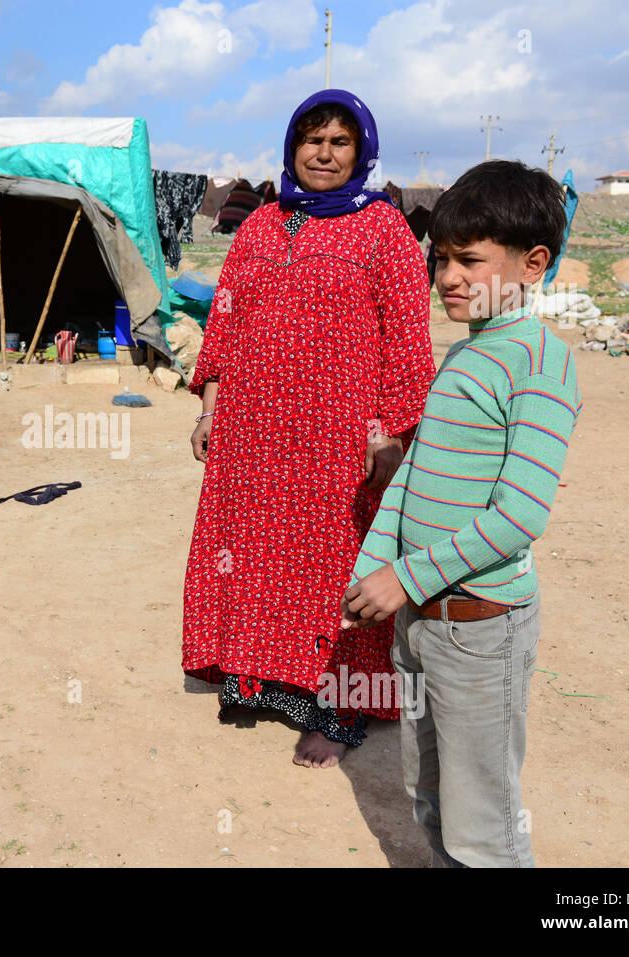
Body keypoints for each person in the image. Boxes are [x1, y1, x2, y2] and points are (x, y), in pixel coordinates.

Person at [183, 89, 435, 769]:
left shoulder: (385, 231)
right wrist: (211, 405)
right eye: (312, 139)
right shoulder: (263, 224)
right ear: (293, 146)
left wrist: (390, 437)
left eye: (340, 142)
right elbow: (225, 324)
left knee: (338, 566)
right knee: (256, 552)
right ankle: (256, 678)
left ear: (361, 152)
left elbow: (407, 344)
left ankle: (342, 708)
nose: (324, 153)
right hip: (255, 432)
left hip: (343, 440)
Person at [340, 160, 580, 866]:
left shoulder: (540, 362)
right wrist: (372, 571)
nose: (447, 275)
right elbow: (410, 476)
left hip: (481, 630)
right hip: (422, 624)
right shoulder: (466, 355)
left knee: (484, 825)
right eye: (441, 258)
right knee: (430, 795)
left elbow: (519, 514)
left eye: (469, 260)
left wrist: (405, 578)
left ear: (532, 263)